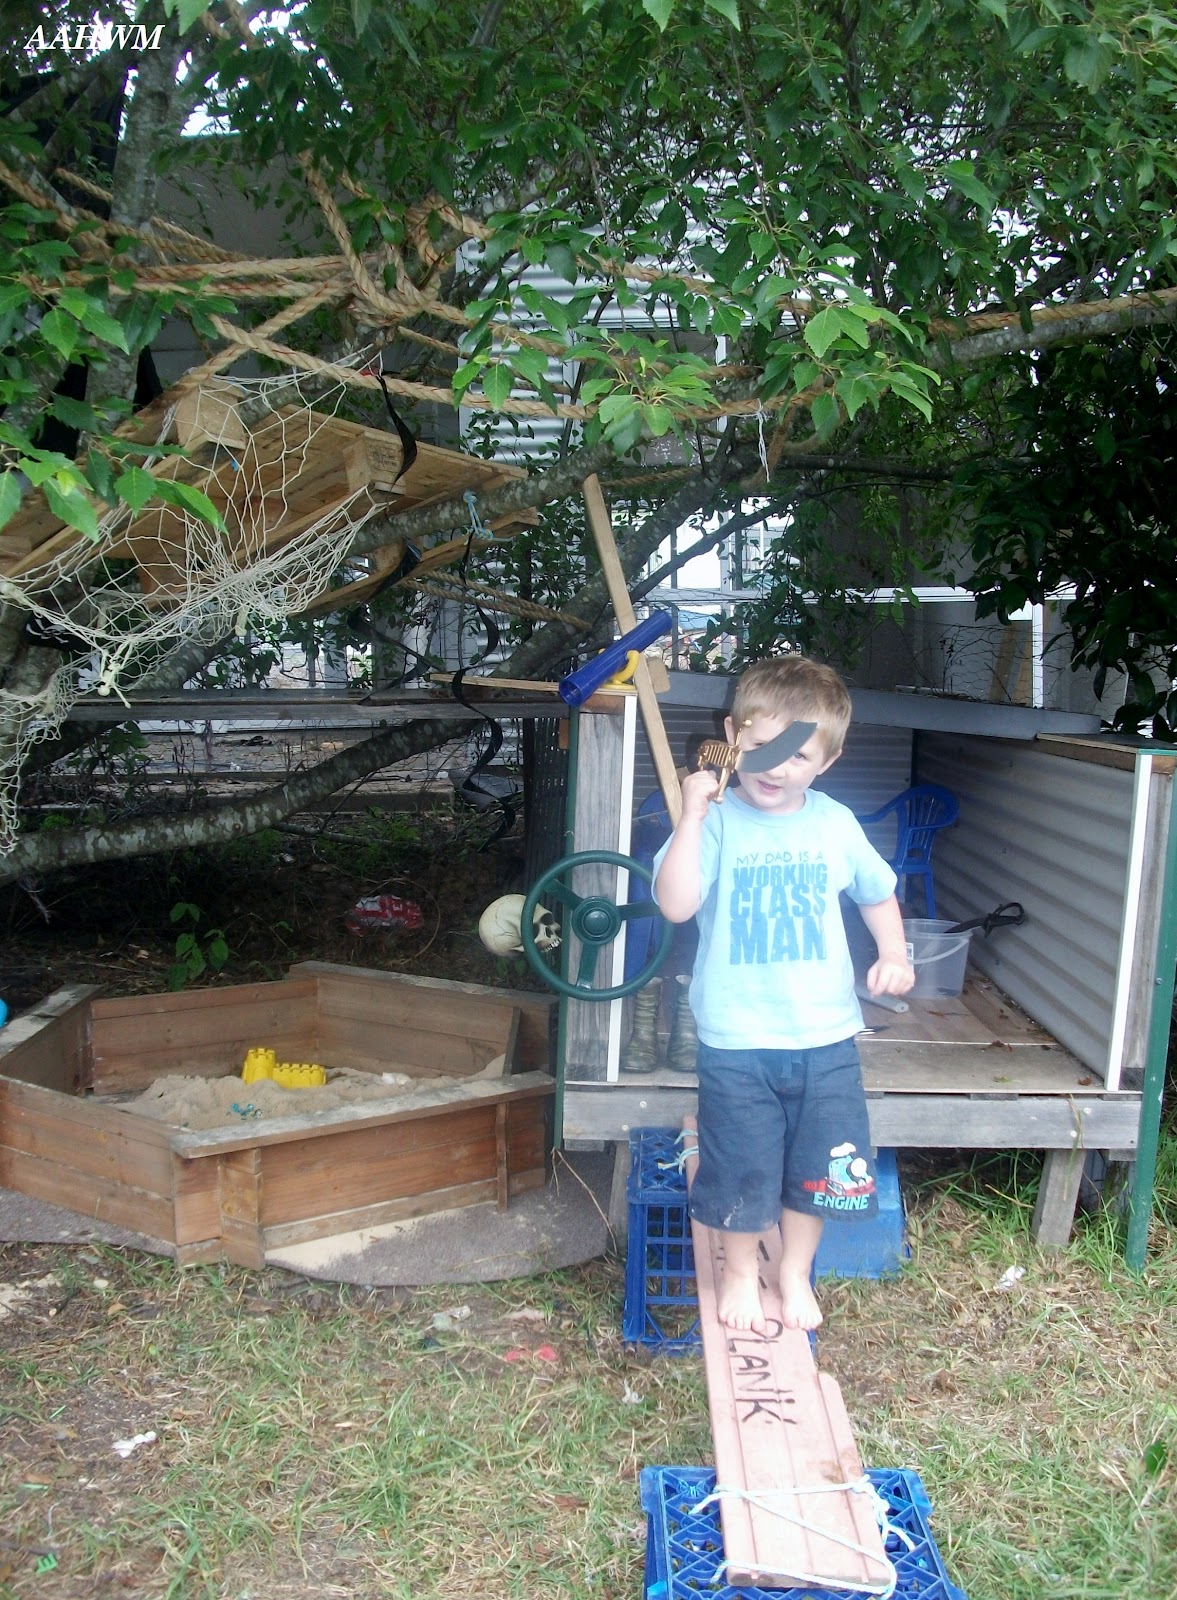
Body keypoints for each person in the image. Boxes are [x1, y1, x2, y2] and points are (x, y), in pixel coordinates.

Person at [652, 655, 914, 1334]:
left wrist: (893, 953)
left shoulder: (833, 823)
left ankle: (792, 1270)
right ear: (731, 735)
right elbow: (676, 905)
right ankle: (740, 1270)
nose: (776, 766)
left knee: (819, 1168)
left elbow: (876, 891)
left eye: (799, 755)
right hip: (737, 1040)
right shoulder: (713, 823)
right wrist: (689, 816)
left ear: (826, 761)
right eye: (762, 747)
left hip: (826, 1038)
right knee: (739, 1167)